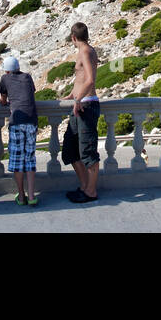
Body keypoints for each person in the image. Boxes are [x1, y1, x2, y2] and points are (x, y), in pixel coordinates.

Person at [62, 23, 100, 203]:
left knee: (88, 152)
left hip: (86, 106)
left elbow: (90, 80)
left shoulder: (85, 51)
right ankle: (85, 186)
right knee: (70, 150)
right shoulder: (87, 50)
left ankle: (90, 192)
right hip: (80, 104)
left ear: (73, 37)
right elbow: (82, 78)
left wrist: (77, 100)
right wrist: (72, 94)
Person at [0, 55, 39, 206]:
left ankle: (21, 196)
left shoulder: (5, 78)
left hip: (17, 122)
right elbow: (30, 94)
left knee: (17, 160)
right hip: (31, 120)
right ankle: (32, 195)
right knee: (30, 158)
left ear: (7, 71)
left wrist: (7, 101)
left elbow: (3, 100)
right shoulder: (27, 77)